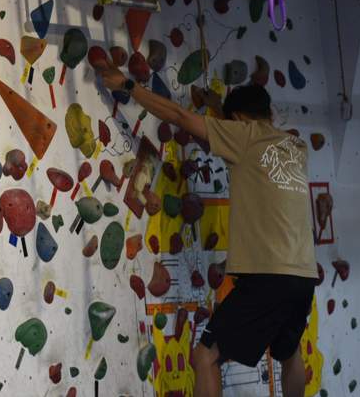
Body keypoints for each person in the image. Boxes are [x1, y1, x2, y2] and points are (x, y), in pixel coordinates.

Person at [99, 68, 316, 397]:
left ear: (239, 120)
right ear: (269, 113)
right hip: (302, 277)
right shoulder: (295, 146)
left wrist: (128, 85)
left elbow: (178, 115)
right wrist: (218, 106)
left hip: (266, 276)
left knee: (205, 355)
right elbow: (250, 134)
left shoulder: (244, 136)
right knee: (289, 353)